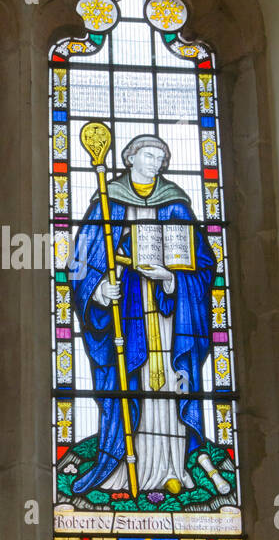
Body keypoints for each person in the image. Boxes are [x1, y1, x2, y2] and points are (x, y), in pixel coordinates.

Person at [70, 133, 215, 494]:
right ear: (130, 157)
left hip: (169, 320)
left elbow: (204, 265)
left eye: (160, 158)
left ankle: (171, 466)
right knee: (129, 381)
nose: (155, 163)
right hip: (128, 314)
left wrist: (171, 280)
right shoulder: (108, 202)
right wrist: (100, 291)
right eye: (149, 156)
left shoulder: (176, 206)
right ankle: (123, 463)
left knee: (167, 380)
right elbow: (81, 260)